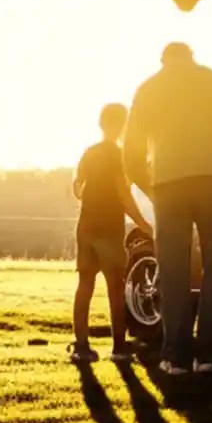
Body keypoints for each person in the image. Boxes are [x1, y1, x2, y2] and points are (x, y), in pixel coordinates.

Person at [123, 42, 212, 375]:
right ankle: (209, 353)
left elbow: (130, 157)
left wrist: (152, 189)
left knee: (174, 271)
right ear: (192, 56)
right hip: (211, 183)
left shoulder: (148, 89)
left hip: (168, 185)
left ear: (163, 59)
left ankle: (175, 355)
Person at [69, 102, 153, 364]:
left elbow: (77, 187)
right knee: (116, 286)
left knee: (85, 285)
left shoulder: (89, 152)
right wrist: (142, 221)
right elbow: (121, 190)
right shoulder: (119, 154)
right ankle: (119, 347)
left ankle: (82, 346)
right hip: (108, 226)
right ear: (123, 125)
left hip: (86, 225)